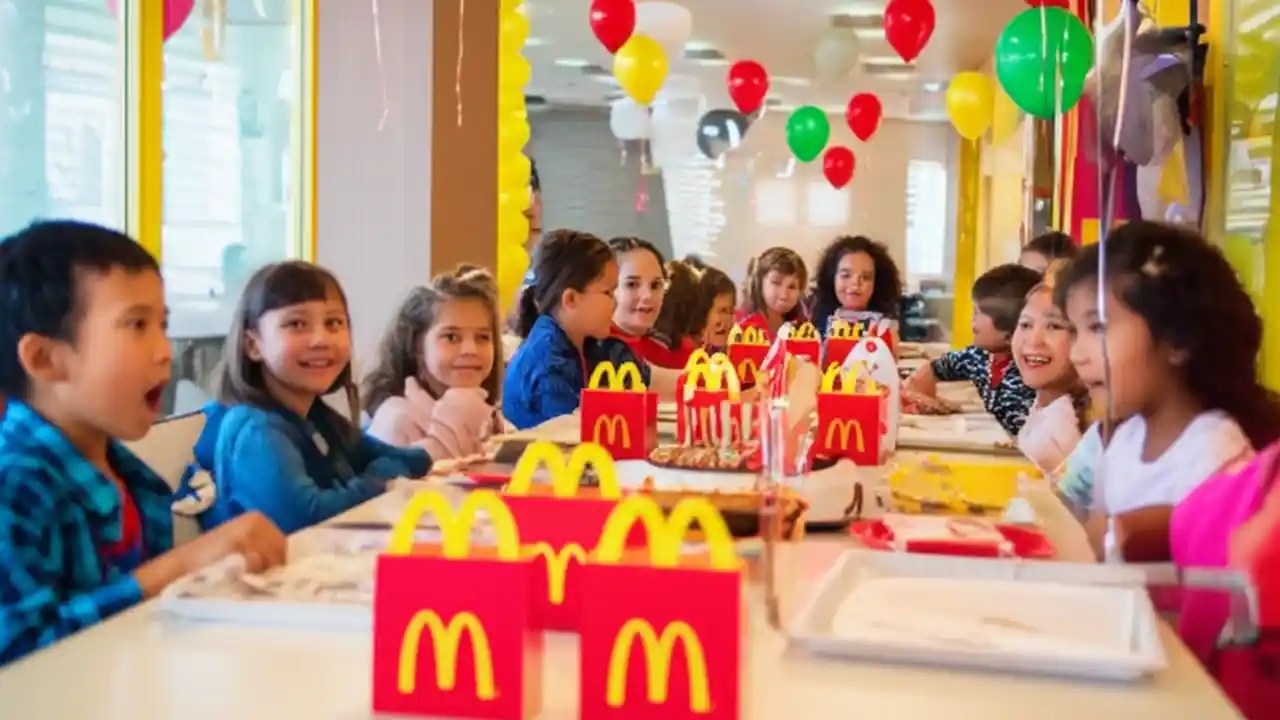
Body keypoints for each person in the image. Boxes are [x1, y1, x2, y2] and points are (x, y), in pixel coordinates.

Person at [0, 221, 286, 664]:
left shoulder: (128, 475)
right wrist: (177, 568)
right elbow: (18, 656)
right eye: (135, 325)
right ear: (45, 359)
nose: (164, 350)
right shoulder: (13, 482)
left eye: (162, 324)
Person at [1055, 220, 1280, 562]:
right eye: (1074, 331)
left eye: (1098, 327)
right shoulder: (1124, 439)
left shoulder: (1213, 452)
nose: (1077, 354)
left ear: (1176, 338)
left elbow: (1215, 588)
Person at [184, 261, 431, 535]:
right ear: (253, 345)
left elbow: (408, 459)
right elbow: (308, 518)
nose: (320, 340)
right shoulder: (256, 429)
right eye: (297, 324)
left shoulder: (316, 416)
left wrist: (396, 466)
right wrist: (382, 477)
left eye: (334, 323)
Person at [504, 229, 649, 429]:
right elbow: (571, 436)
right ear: (570, 299)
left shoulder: (588, 345)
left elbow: (642, 377)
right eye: (608, 292)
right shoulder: (549, 361)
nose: (616, 302)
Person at [364, 267, 507, 458]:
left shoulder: (488, 416)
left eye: (482, 337)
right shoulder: (397, 421)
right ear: (417, 346)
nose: (470, 349)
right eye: (451, 337)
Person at [906, 264, 1041, 436]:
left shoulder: (1028, 376)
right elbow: (933, 369)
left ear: (1010, 334)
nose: (972, 322)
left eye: (977, 314)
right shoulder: (977, 357)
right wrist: (926, 400)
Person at [1012, 276, 1089, 473]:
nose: (1034, 340)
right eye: (1025, 325)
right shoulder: (1048, 406)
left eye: (1054, 326)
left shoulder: (1059, 433)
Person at [607, 237, 690, 369]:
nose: (647, 296)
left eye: (656, 285)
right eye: (632, 284)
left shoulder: (662, 350)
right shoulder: (594, 351)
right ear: (607, 289)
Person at [810, 235, 903, 339]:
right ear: (831, 278)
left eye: (865, 277)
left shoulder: (885, 327)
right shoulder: (816, 326)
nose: (855, 284)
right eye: (846, 275)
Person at [737, 247, 808, 339]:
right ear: (759, 283)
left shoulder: (804, 329)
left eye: (792, 287)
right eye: (776, 282)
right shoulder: (742, 329)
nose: (784, 295)